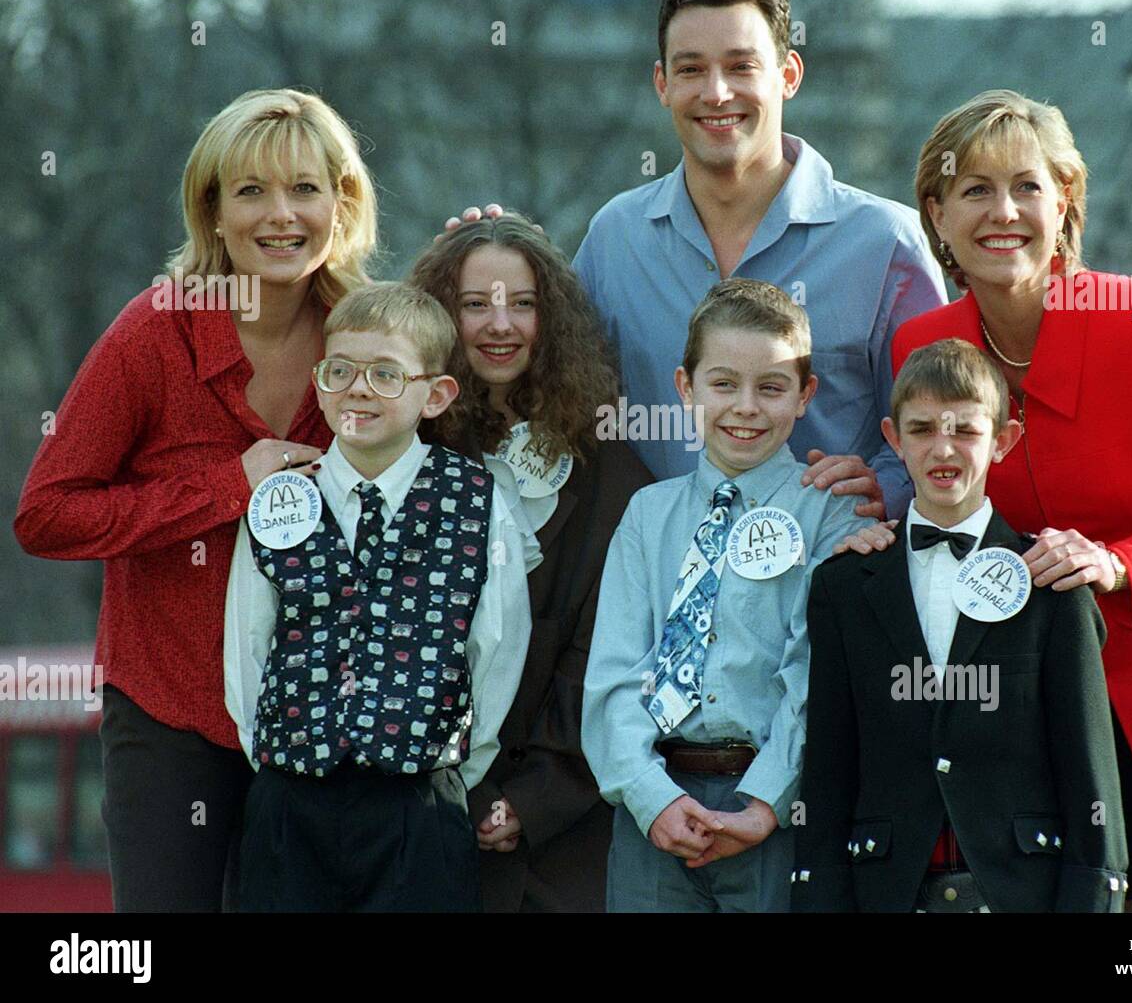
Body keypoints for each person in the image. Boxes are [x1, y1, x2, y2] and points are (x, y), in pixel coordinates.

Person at [861, 89, 1132, 913]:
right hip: (1048, 685)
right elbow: (938, 494)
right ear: (936, 217)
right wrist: (866, 502)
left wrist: (1120, 564)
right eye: (974, 190)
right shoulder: (923, 344)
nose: (1003, 212)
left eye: (1027, 186)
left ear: (1066, 205)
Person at [13, 88, 378, 912]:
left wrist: (480, 252)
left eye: (305, 189)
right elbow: (46, 512)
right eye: (251, 191)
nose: (281, 215)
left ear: (341, 203)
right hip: (170, 715)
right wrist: (224, 488)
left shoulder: (368, 339)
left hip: (322, 717)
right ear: (212, 212)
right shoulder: (155, 332)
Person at [447, 0, 946, 519]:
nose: (716, 93)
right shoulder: (617, 237)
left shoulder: (884, 243)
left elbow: (941, 418)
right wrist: (488, 265)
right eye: (690, 70)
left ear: (788, 75)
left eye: (740, 67)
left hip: (829, 581)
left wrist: (890, 487)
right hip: (651, 586)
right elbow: (545, 395)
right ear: (662, 84)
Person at [223, 281, 540, 912]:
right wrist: (277, 757)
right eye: (340, 371)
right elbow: (246, 643)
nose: (359, 389)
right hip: (290, 803)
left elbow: (497, 649)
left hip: (416, 809)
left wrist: (453, 772)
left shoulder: (477, 501)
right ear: (318, 382)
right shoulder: (284, 498)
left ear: (435, 395)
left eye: (386, 374)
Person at [794, 338, 1127, 912]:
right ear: (893, 440)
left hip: (1022, 892)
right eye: (921, 429)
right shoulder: (843, 587)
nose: (943, 449)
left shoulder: (1054, 589)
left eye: (966, 431)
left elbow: (1090, 777)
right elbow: (827, 774)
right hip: (889, 890)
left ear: (1003, 440)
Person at [583, 278, 868, 912]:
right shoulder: (648, 514)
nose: (745, 407)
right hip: (654, 803)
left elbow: (814, 672)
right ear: (685, 388)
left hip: (775, 804)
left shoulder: (830, 514)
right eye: (722, 385)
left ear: (804, 396)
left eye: (771, 387)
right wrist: (649, 795)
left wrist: (767, 798)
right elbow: (616, 672)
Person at [408, 213, 654, 912]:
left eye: (522, 303)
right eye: (475, 303)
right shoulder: (408, 460)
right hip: (426, 825)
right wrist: (464, 791)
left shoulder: (611, 474)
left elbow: (611, 656)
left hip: (571, 841)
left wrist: (531, 800)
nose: (499, 324)